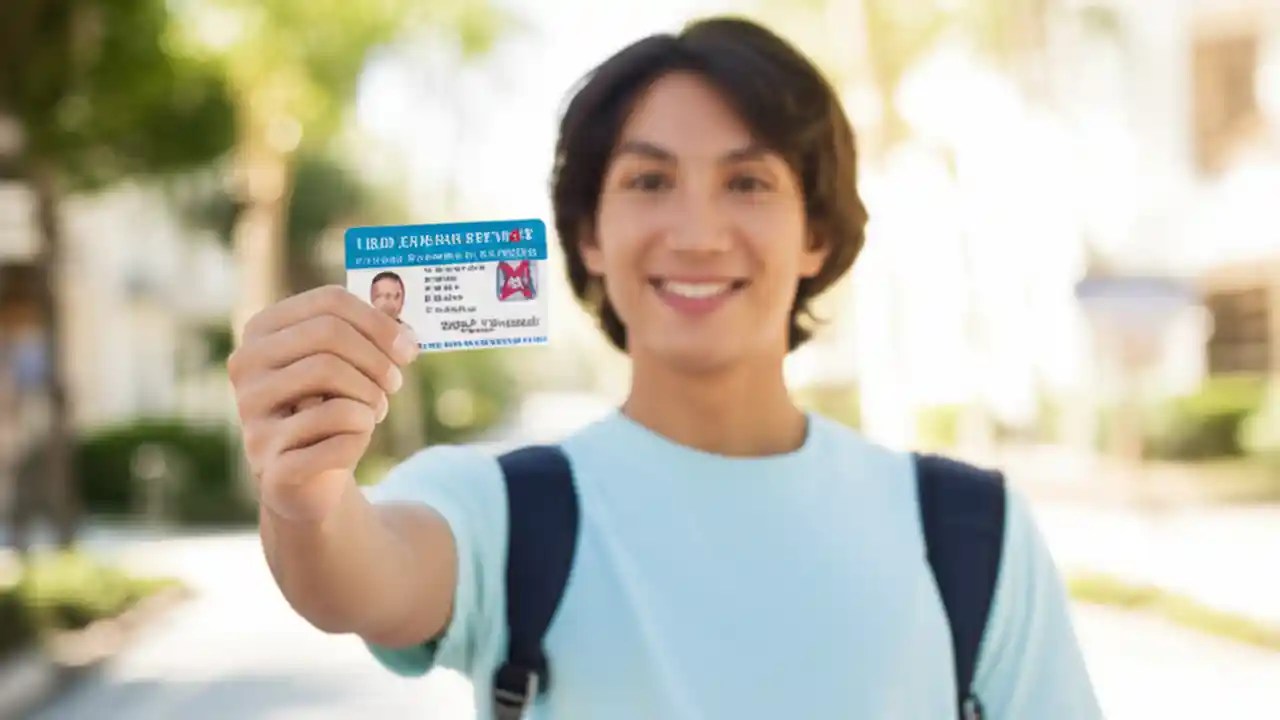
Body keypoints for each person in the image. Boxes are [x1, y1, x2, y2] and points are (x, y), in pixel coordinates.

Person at [229, 16, 1102, 720]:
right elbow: (360, 574)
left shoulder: (971, 533)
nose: (694, 230)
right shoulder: (508, 512)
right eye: (649, 182)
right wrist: (304, 499)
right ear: (588, 236)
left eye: (748, 183)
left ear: (817, 235)